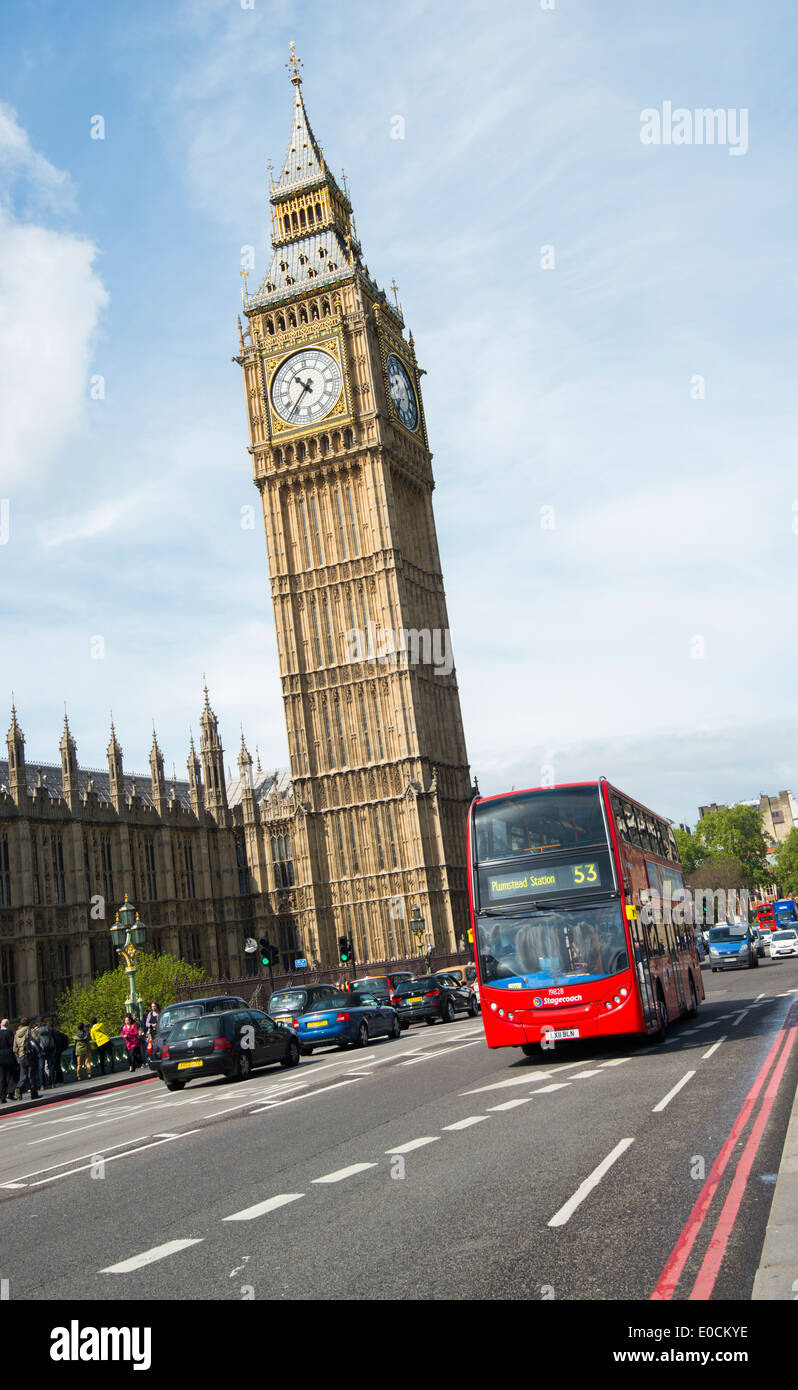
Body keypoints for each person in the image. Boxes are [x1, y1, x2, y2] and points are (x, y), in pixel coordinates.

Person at [13, 1017, 40, 1100]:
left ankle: (18, 1088)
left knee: (23, 1075)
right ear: (28, 1023)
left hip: (21, 1056)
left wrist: (18, 1055)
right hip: (30, 1055)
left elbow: (14, 1048)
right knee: (32, 1074)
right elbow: (37, 1040)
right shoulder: (30, 1030)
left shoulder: (17, 1033)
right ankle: (34, 1093)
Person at [33, 1016, 56, 1090]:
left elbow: (35, 1040)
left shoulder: (36, 1031)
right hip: (50, 1049)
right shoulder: (49, 1029)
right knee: (51, 1066)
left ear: (37, 1023)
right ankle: (52, 1083)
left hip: (41, 1050)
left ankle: (42, 1085)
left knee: (41, 1068)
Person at [0, 1019, 16, 1103]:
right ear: (7, 1025)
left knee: (2, 1077)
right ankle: (10, 1093)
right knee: (11, 1075)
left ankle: (2, 1096)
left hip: (0, 1057)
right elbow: (12, 1044)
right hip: (9, 1056)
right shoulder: (9, 1032)